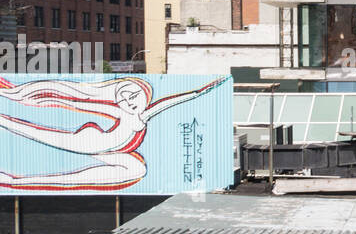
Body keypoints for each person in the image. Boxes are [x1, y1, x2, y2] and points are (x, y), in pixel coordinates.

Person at [0, 76, 224, 191]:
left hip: (111, 151)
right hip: (93, 142)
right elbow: (80, 104)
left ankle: (16, 181)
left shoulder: (142, 115)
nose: (129, 101)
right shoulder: (118, 110)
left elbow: (167, 103)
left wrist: (201, 91)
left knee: (137, 169)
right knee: (37, 134)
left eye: (133, 95)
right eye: (124, 97)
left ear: (144, 96)